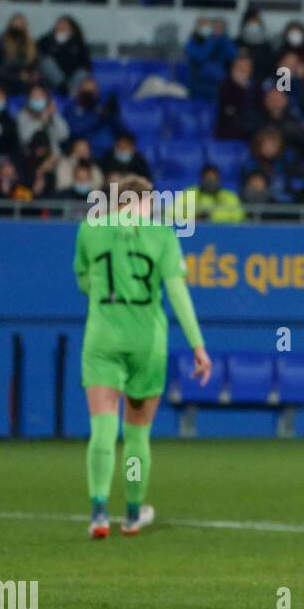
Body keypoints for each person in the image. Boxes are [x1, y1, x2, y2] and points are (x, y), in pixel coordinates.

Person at [73, 175, 211, 538]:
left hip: (102, 340)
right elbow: (178, 294)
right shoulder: (162, 236)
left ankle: (99, 512)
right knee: (137, 436)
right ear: (145, 203)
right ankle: (133, 513)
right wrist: (197, 345)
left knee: (102, 429)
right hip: (147, 345)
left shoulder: (89, 229)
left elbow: (84, 281)